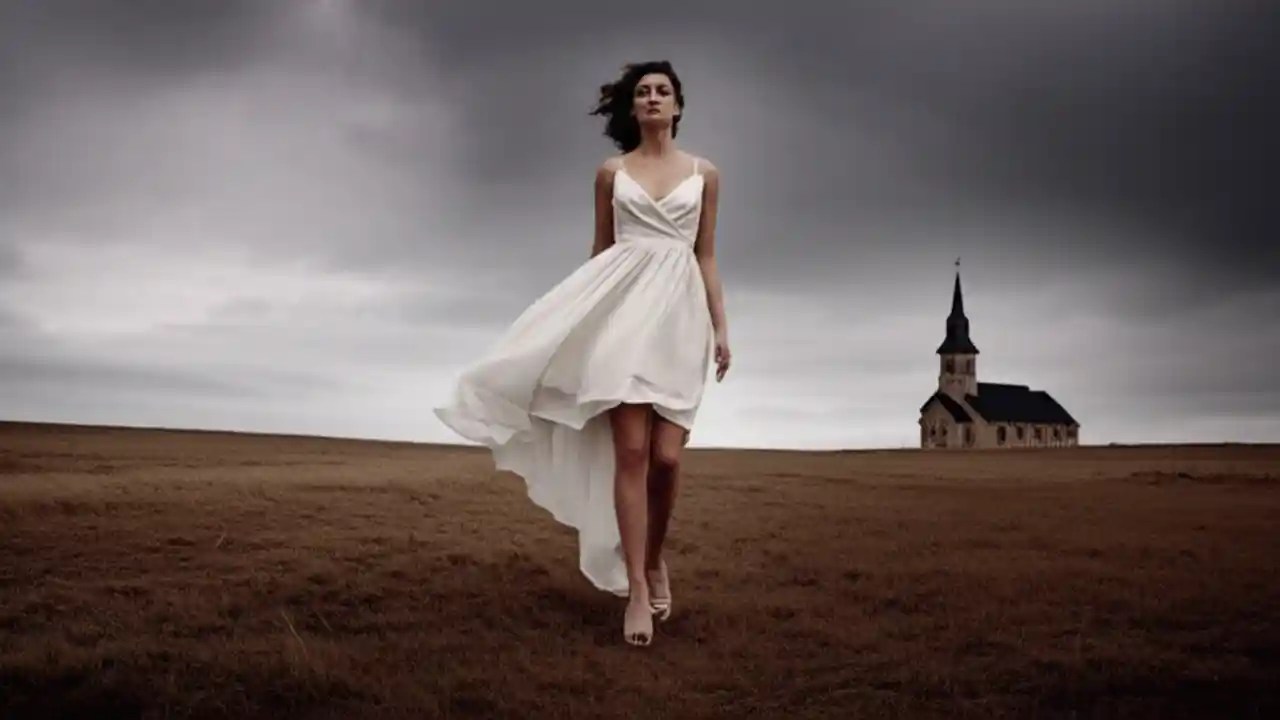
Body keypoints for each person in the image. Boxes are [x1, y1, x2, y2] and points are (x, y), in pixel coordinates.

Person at [433, 60, 731, 647]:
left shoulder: (706, 174)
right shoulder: (610, 173)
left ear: (677, 106)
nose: (651, 98)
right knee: (632, 451)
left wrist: (721, 329)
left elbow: (706, 257)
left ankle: (652, 557)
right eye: (643, 91)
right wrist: (573, 328)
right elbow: (600, 254)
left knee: (667, 459)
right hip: (620, 322)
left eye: (661, 91)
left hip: (679, 322)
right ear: (634, 107)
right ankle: (638, 595)